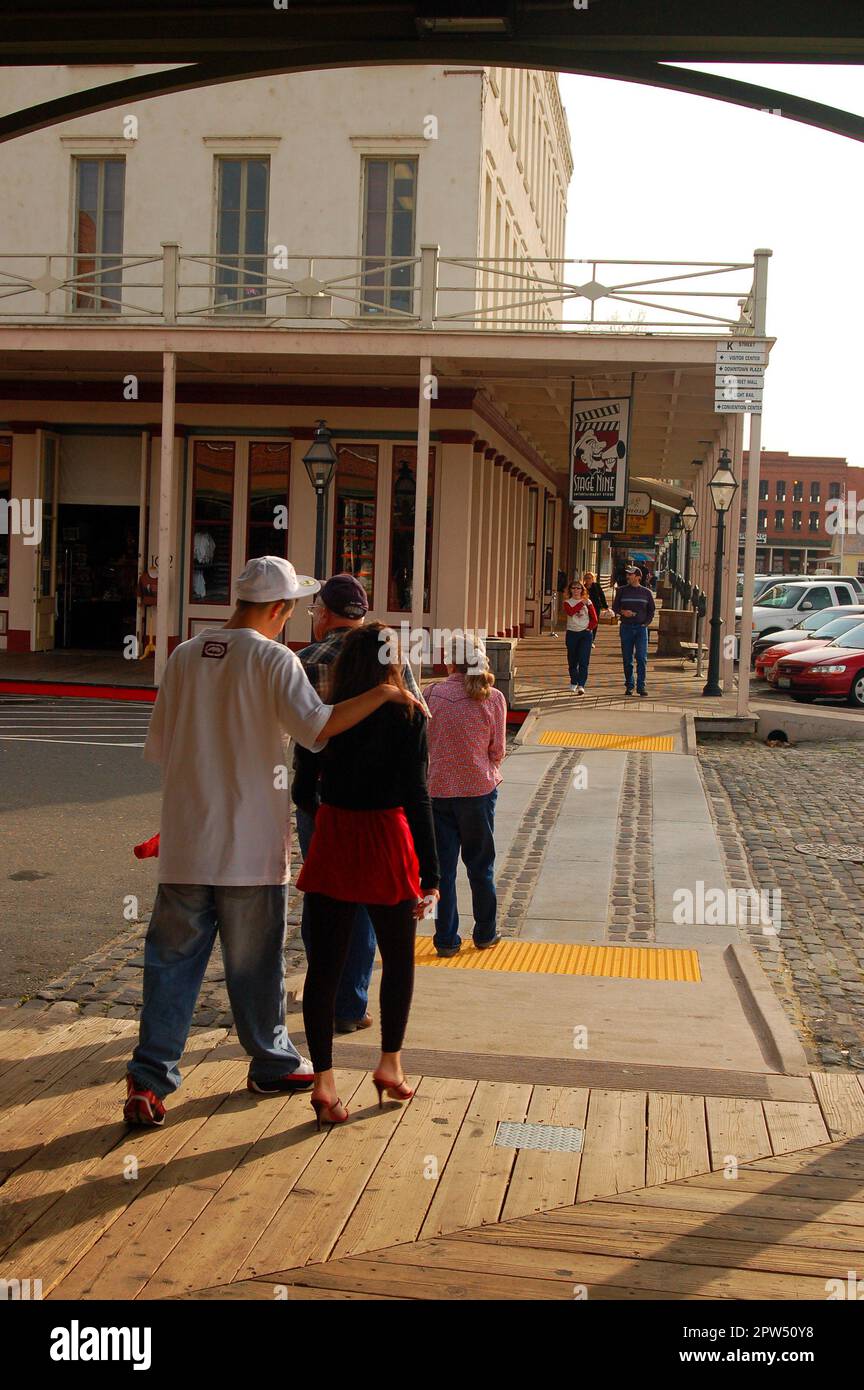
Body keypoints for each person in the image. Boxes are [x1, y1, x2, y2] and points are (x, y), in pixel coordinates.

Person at [124, 557, 422, 1128]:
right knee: (256, 963)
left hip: (186, 842)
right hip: (250, 845)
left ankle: (150, 1076)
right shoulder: (273, 659)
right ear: (281, 610)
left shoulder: (186, 655)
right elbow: (318, 727)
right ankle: (270, 1060)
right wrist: (384, 695)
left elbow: (161, 746)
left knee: (170, 962)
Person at [297, 623, 439, 1130]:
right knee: (398, 959)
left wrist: (327, 809)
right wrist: (432, 875)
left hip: (336, 835)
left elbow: (300, 787)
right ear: (392, 662)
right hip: (387, 837)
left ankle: (325, 1084)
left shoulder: (327, 716)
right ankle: (389, 1065)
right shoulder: (406, 714)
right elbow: (418, 796)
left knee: (324, 968)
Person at [292, 573, 424, 1035]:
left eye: (314, 611)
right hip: (385, 803)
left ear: (324, 614)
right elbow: (418, 718)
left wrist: (306, 796)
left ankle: (325, 994)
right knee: (375, 899)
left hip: (327, 799)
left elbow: (300, 742)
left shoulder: (304, 661)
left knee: (327, 897)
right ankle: (352, 1003)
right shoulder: (393, 659)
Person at [423, 644, 507, 957]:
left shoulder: (432, 695)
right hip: (478, 792)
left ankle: (446, 939)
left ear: (449, 663)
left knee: (443, 870)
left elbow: (425, 742)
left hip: (440, 791)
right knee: (481, 866)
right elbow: (496, 750)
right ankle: (485, 931)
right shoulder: (493, 697)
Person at [612, 564, 656, 697]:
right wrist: (622, 612)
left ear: (638, 577)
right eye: (627, 574)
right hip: (626, 627)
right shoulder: (621, 591)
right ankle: (629, 685)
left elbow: (651, 610)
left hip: (641, 629)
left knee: (642, 658)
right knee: (627, 658)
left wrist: (646, 624)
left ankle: (641, 686)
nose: (628, 576)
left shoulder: (646, 592)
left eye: (630, 574)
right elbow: (615, 608)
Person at [563, 580, 597, 694]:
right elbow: (571, 612)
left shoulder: (589, 602)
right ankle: (574, 681)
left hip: (585, 634)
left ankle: (581, 685)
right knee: (572, 660)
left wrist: (589, 628)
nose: (576, 590)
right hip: (572, 633)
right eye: (574, 588)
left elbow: (594, 618)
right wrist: (582, 603)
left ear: (582, 590)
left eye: (579, 588)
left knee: (583, 660)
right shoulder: (567, 602)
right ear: (570, 590)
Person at [583, 570, 608, 638]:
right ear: (585, 579)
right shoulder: (583, 587)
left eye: (590, 578)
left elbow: (602, 595)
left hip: (595, 607)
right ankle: (586, 637)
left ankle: (592, 639)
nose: (588, 579)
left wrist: (605, 606)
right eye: (587, 578)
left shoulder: (597, 586)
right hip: (586, 607)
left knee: (594, 622)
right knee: (586, 622)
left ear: (593, 579)